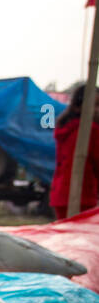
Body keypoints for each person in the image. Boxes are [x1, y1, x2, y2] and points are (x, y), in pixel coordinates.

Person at [50, 85, 99, 219]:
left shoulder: (65, 127)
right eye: (95, 105)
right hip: (83, 195)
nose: (97, 110)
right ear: (79, 106)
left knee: (66, 237)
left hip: (60, 195)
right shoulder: (90, 130)